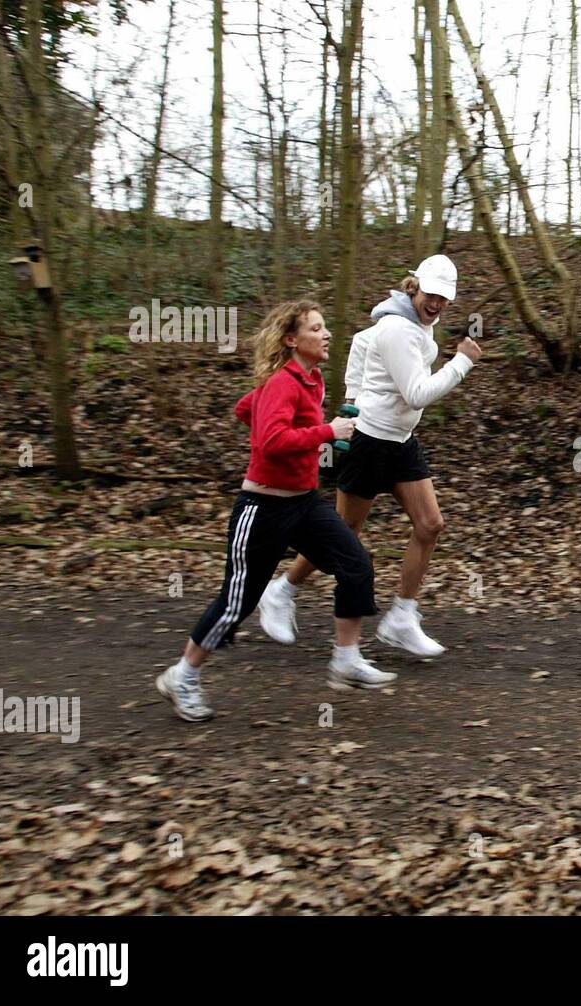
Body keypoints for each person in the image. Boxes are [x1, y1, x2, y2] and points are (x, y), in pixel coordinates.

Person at [155, 300, 394, 723]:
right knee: (236, 603)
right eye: (316, 328)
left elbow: (245, 408)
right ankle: (183, 674)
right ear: (291, 339)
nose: (326, 335)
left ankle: (346, 659)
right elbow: (270, 442)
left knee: (355, 562)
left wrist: (303, 428)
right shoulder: (284, 383)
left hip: (302, 503)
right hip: (262, 508)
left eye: (325, 327)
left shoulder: (311, 380)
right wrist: (328, 431)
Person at [255, 255, 482, 658]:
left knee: (430, 525)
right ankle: (281, 591)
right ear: (415, 286)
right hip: (371, 441)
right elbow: (416, 393)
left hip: (400, 439)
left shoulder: (403, 324)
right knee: (345, 532)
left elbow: (361, 343)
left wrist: (352, 398)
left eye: (444, 298)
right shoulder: (398, 329)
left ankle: (401, 616)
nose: (437, 304)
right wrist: (462, 363)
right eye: (431, 295)